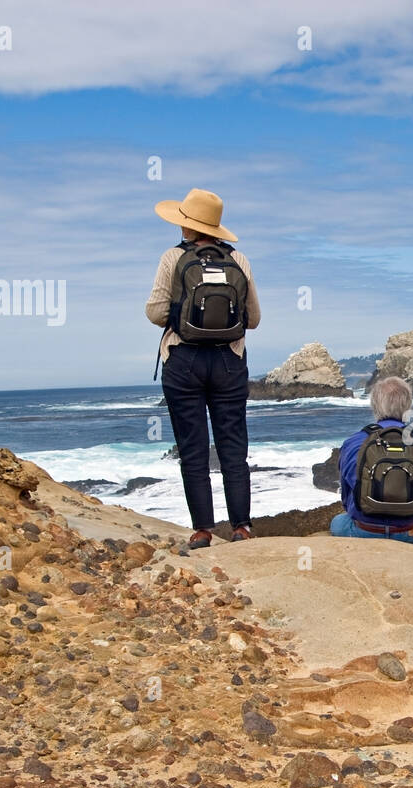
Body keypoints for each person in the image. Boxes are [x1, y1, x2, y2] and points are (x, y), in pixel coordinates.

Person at [146, 188, 262, 549]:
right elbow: (253, 319)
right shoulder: (239, 260)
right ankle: (242, 527)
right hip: (229, 360)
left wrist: (185, 317)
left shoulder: (172, 258)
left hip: (184, 360)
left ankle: (202, 531)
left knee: (193, 447)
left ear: (185, 226)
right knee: (233, 445)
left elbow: (155, 312)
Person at [331, 376, 413, 548]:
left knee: (338, 522)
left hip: (364, 532)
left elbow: (347, 501)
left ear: (374, 406)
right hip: (412, 533)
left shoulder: (353, 443)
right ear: (408, 407)